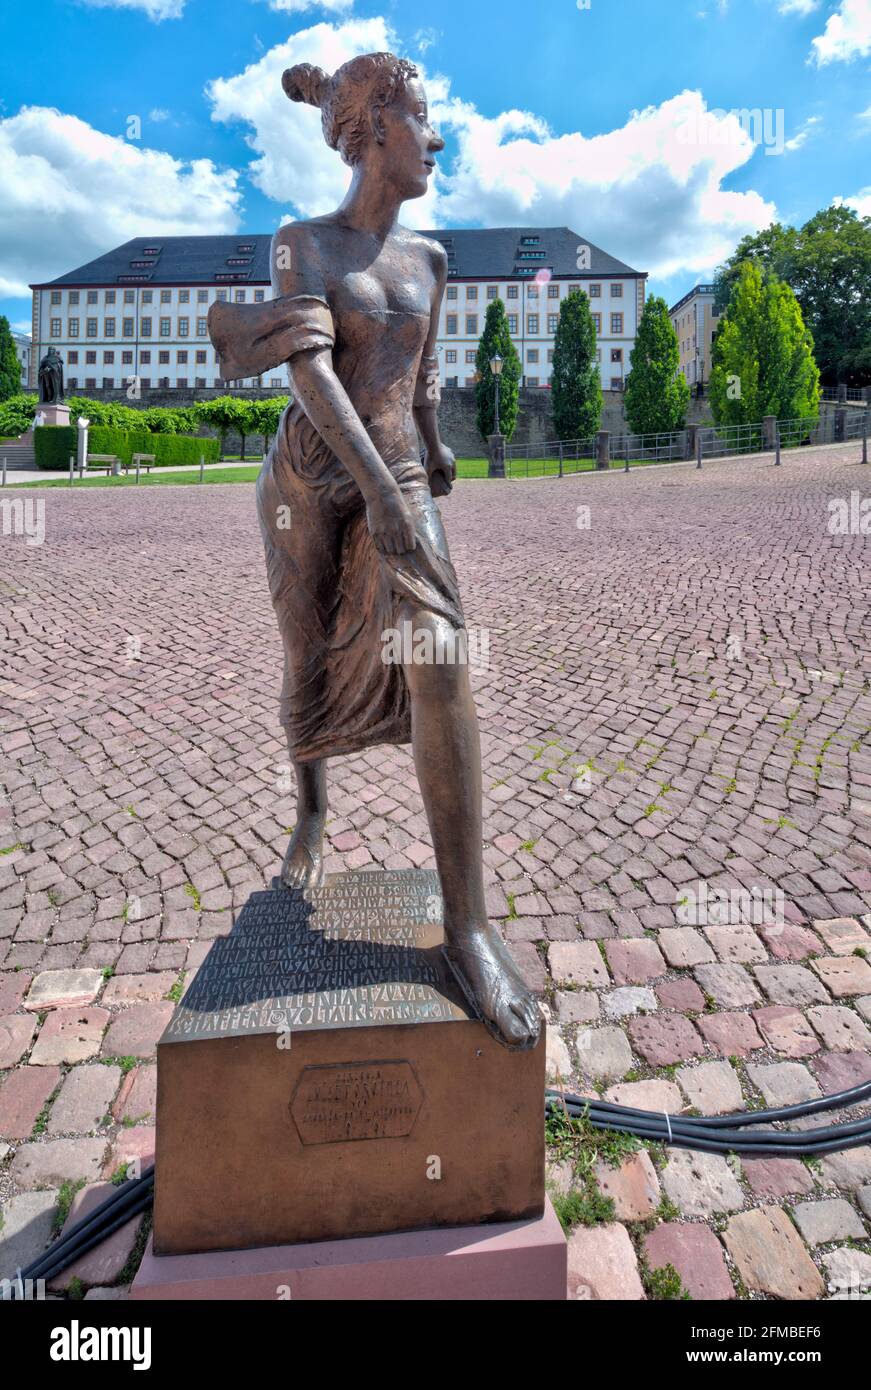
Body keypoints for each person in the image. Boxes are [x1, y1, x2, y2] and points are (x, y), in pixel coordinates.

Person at [209, 52, 539, 1050]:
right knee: (306, 648)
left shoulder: (430, 259)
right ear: (377, 125)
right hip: (309, 480)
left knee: (442, 664)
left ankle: (467, 928)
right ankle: (310, 812)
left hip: (393, 471)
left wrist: (430, 455)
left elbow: (420, 369)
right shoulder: (301, 242)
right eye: (427, 121)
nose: (438, 140)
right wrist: (369, 491)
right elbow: (309, 375)